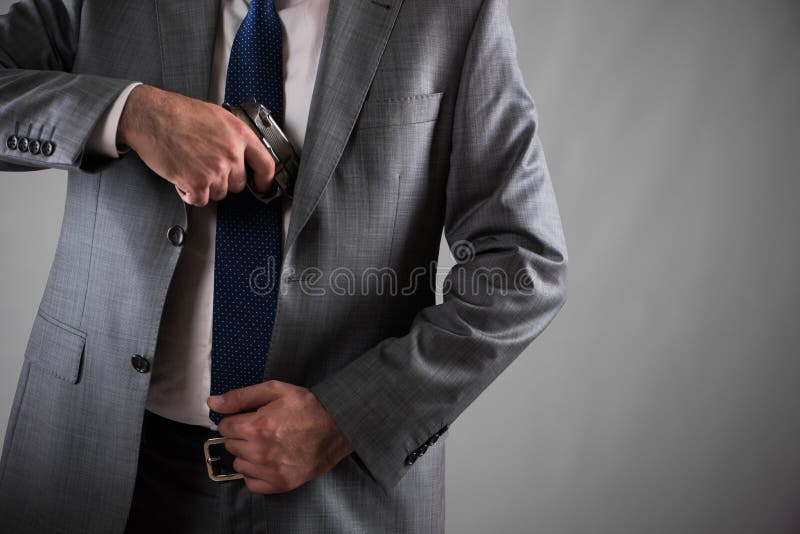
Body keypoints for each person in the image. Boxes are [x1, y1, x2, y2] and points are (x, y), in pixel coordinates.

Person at [0, 0, 568, 532]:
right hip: (88, 459)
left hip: (337, 488)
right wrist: (130, 113)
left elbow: (521, 264)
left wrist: (346, 419)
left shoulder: (453, 13)